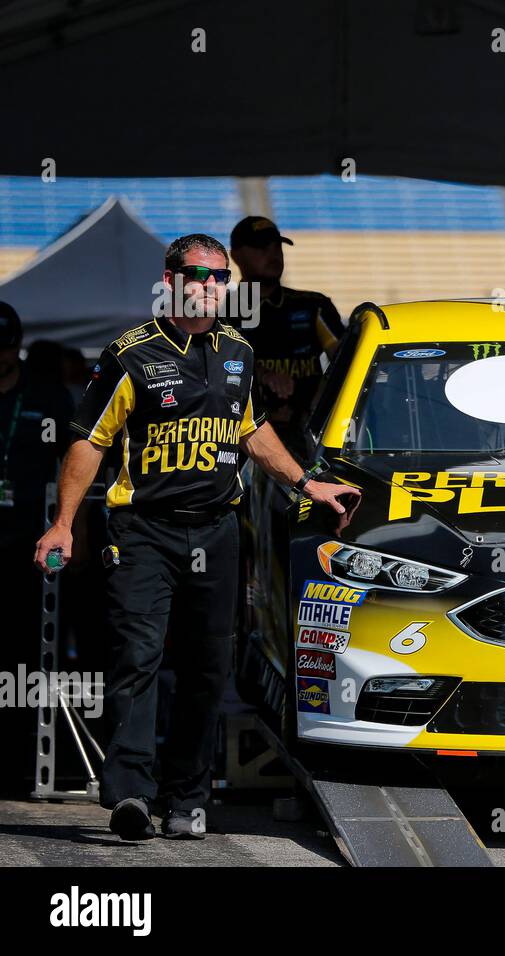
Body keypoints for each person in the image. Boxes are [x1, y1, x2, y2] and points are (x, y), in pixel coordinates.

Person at [33, 234, 359, 841]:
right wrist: (63, 523)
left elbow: (252, 430)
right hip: (142, 534)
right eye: (199, 274)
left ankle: (187, 797)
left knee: (208, 668)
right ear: (171, 278)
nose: (211, 285)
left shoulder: (236, 349)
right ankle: (130, 792)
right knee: (138, 657)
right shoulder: (129, 353)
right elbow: (87, 439)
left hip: (217, 531)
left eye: (220, 277)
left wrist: (306, 483)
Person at [0, 306, 75, 789]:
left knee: (26, 655)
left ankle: (19, 760)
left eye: (4, 345)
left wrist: (70, 528)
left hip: (30, 546)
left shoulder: (47, 397)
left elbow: (75, 461)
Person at [229, 216, 345, 458]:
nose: (273, 254)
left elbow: (345, 363)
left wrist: (319, 401)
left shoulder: (314, 305)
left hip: (309, 434)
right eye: (262, 247)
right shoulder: (220, 311)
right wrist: (262, 375)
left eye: (277, 247)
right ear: (236, 256)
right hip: (242, 438)